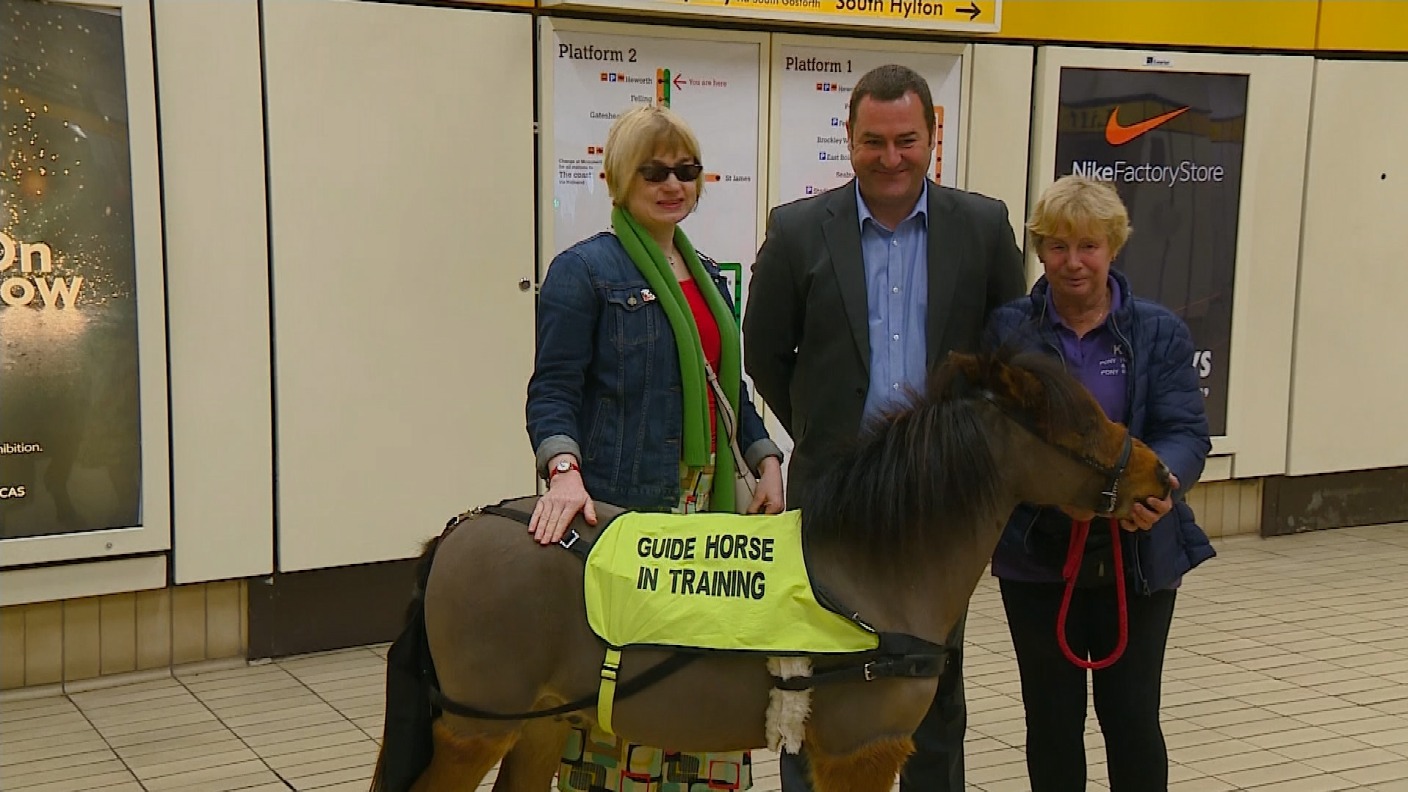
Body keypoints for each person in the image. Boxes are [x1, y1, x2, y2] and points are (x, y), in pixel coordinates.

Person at [744, 64, 1026, 792]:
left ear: (934, 137)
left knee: (931, 699)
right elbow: (764, 352)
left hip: (937, 508)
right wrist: (823, 432)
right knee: (810, 693)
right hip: (833, 504)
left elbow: (1007, 355)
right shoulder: (800, 229)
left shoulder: (984, 226)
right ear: (849, 139)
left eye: (907, 140)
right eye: (874, 141)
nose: (891, 157)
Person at [526, 103, 786, 792]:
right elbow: (552, 391)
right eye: (655, 171)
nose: (674, 184)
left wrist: (765, 460)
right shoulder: (582, 273)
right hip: (626, 508)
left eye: (687, 170)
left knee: (708, 672)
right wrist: (563, 472)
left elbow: (726, 391)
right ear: (617, 178)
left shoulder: (707, 275)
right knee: (629, 682)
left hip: (711, 513)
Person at [982, 174, 1215, 792]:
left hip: (1136, 558)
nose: (1073, 262)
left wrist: (1157, 488)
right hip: (1037, 557)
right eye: (1057, 246)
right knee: (1052, 722)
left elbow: (1185, 431)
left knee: (1132, 719)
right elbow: (995, 438)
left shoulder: (1157, 331)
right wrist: (1060, 492)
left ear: (1113, 247)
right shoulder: (1010, 329)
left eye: (1089, 246)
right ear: (1040, 251)